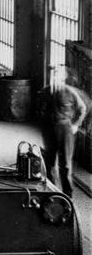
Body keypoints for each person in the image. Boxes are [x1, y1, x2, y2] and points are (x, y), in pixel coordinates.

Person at [37, 66, 88, 197]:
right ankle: (52, 193)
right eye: (52, 75)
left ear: (63, 78)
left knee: (65, 164)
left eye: (57, 75)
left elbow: (82, 108)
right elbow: (39, 109)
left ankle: (67, 195)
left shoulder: (70, 92)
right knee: (49, 162)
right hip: (49, 128)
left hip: (65, 129)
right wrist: (43, 125)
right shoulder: (45, 91)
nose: (54, 77)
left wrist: (75, 125)